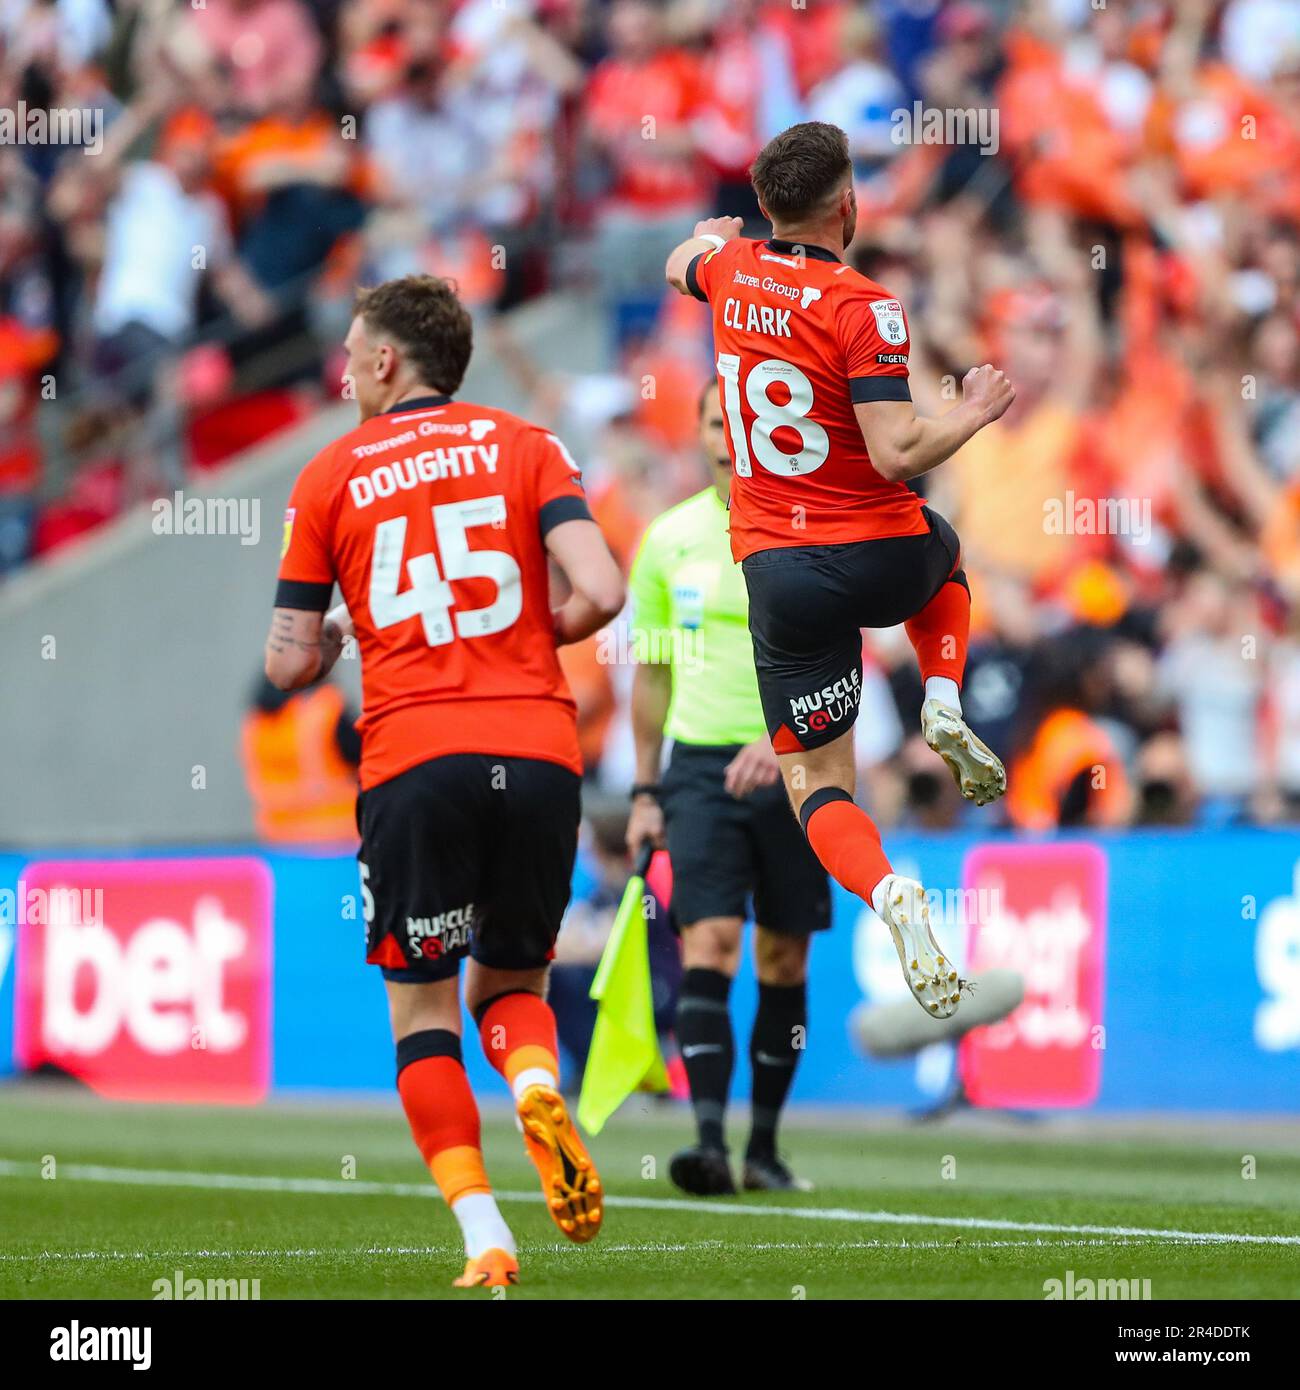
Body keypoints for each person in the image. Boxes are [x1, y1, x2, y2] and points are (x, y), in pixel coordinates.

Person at [263, 273, 625, 1289]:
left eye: (348, 351)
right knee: (511, 984)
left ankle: (485, 1239)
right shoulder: (529, 447)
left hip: (415, 756)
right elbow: (603, 587)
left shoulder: (330, 475)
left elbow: (287, 663)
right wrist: (518, 637)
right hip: (542, 753)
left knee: (423, 1017)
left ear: (386, 361)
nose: (340, 369)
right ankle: (540, 1083)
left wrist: (341, 637)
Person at [665, 121, 1014, 1019]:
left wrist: (712, 244)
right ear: (847, 206)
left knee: (819, 786)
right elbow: (896, 451)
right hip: (882, 553)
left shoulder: (731, 273)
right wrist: (972, 412)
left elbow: (681, 263)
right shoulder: (868, 306)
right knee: (946, 560)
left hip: (781, 574)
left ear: (766, 206)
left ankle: (890, 892)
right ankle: (941, 696)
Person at [626, 381, 830, 1196]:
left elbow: (835, 659)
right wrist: (646, 788)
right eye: (712, 421)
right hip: (701, 770)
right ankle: (708, 1143)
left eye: (735, 420)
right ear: (703, 431)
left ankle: (766, 1148)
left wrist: (783, 740)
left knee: (783, 956)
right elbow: (651, 677)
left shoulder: (807, 528)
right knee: (708, 943)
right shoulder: (666, 540)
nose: (724, 435)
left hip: (800, 763)